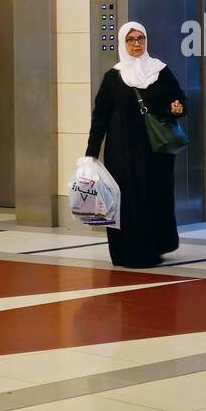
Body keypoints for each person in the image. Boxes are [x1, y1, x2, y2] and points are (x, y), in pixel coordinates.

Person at [84, 21, 186, 268]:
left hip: (156, 149)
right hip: (123, 149)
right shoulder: (114, 77)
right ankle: (129, 252)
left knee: (155, 196)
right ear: (123, 43)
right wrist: (91, 153)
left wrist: (178, 107)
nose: (137, 44)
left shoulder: (160, 70)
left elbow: (179, 97)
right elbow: (100, 116)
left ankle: (156, 246)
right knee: (126, 198)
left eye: (140, 38)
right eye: (131, 40)